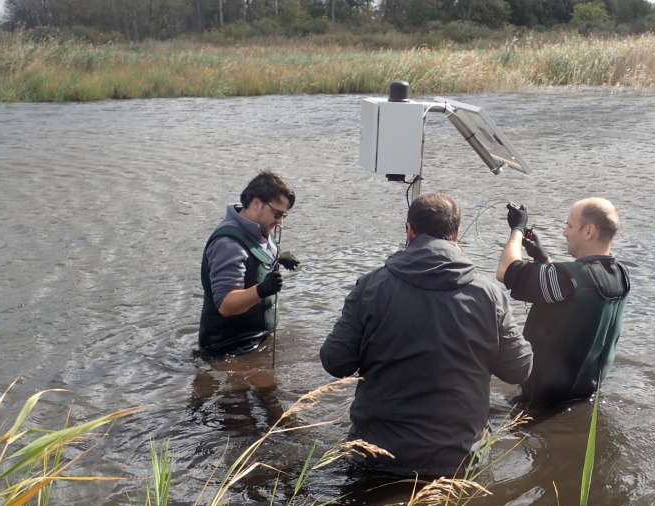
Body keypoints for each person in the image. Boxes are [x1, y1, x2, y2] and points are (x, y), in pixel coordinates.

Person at [320, 192, 533, 477]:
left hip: (378, 455)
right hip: (460, 459)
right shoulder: (489, 294)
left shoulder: (371, 286)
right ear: (456, 233)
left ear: (409, 230)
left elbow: (335, 362)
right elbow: (519, 369)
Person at [496, 197, 630, 409]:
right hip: (581, 395)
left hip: (541, 401)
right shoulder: (621, 275)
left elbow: (505, 271)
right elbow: (574, 292)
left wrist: (517, 230)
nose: (564, 232)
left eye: (569, 226)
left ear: (589, 231)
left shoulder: (567, 278)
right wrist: (543, 259)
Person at [198, 170, 301, 356]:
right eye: (277, 214)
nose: (281, 222)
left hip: (258, 340)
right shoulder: (227, 244)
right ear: (256, 203)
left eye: (284, 215)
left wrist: (276, 257)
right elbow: (226, 304)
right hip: (228, 350)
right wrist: (262, 290)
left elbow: (251, 257)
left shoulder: (259, 229)